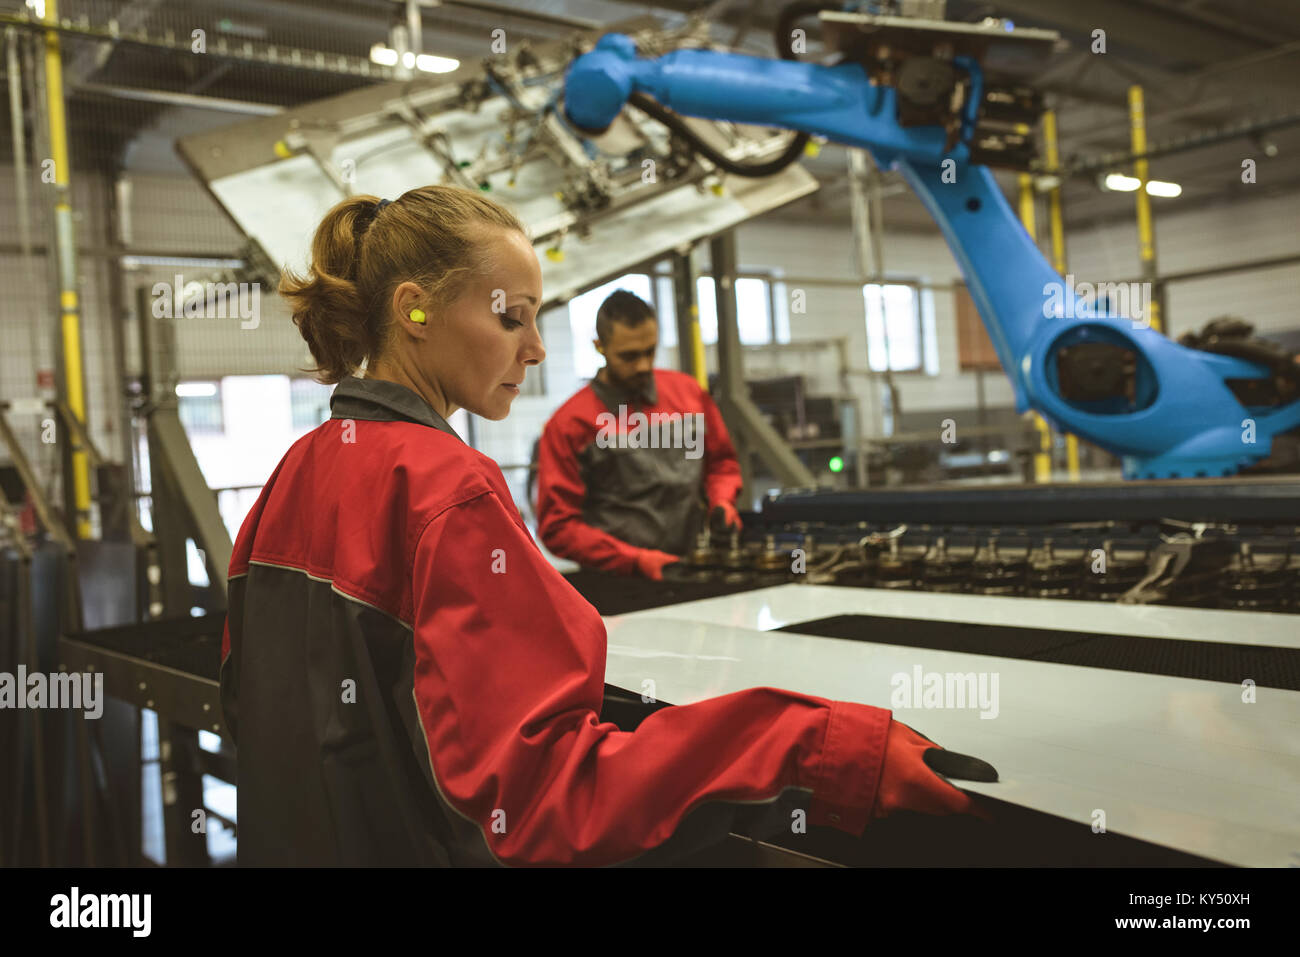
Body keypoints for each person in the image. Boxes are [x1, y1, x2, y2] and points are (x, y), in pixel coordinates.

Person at [219, 185, 994, 867]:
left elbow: (263, 705)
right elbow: (540, 804)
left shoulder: (298, 468)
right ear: (414, 308)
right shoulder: (447, 490)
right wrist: (815, 745)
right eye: (511, 317)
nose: (532, 346)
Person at [536, 290, 742, 580]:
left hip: (694, 570)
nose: (643, 366)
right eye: (629, 356)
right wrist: (634, 560)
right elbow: (558, 526)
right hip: (617, 584)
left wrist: (723, 501)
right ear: (599, 346)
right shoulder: (571, 424)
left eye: (650, 351)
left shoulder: (689, 395)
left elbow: (722, 464)